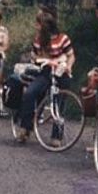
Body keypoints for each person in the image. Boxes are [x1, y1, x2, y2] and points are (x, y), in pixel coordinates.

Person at [15, 9, 76, 145]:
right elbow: (35, 56)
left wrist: (69, 66)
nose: (35, 27)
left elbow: (71, 55)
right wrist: (42, 59)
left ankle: (57, 137)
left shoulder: (63, 38)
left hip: (61, 72)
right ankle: (26, 127)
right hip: (46, 71)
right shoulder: (38, 40)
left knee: (59, 102)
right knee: (30, 93)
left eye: (38, 24)